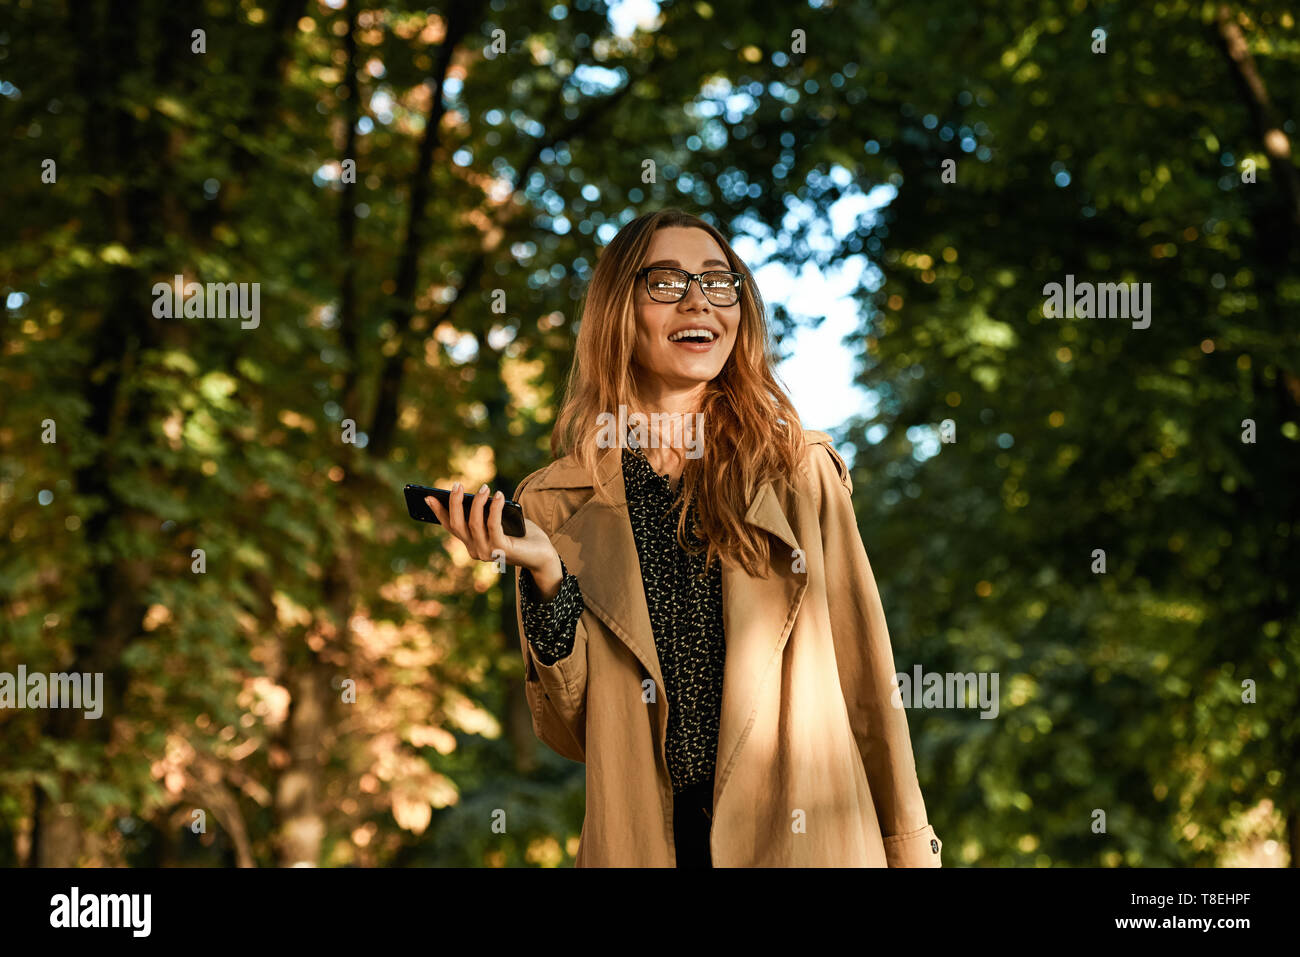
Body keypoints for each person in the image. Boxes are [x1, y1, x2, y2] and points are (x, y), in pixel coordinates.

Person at [426, 208, 943, 868]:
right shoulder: (553, 501)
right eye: (666, 281)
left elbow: (870, 688)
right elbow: (571, 732)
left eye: (719, 282)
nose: (699, 299)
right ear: (619, 308)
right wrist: (548, 575)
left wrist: (909, 851)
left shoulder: (799, 472)